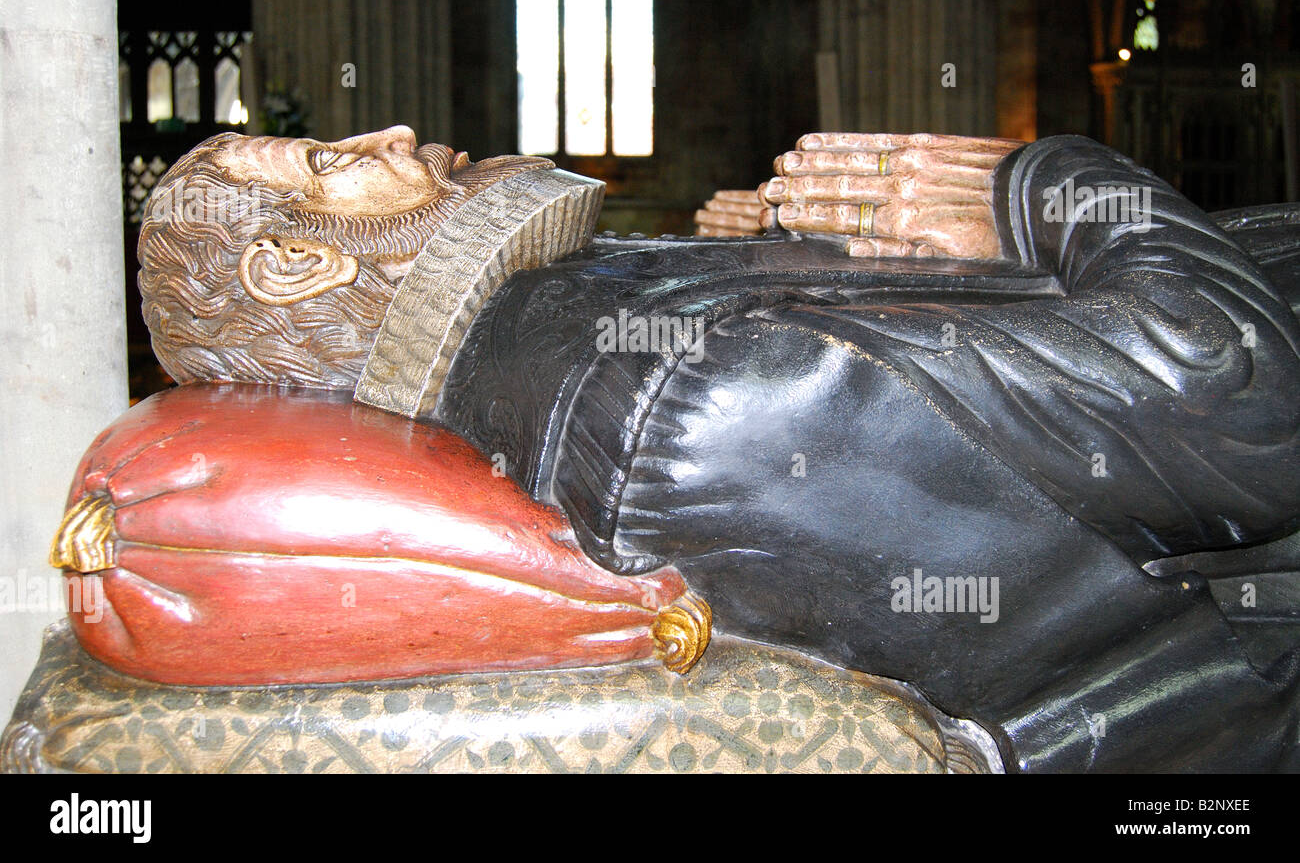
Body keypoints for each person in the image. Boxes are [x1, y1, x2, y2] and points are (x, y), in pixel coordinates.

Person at [124, 126, 1300, 771]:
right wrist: (1041, 183)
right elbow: (1235, 399)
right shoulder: (691, 393)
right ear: (297, 268)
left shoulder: (540, 334)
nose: (397, 134)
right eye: (330, 163)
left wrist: (802, 260)